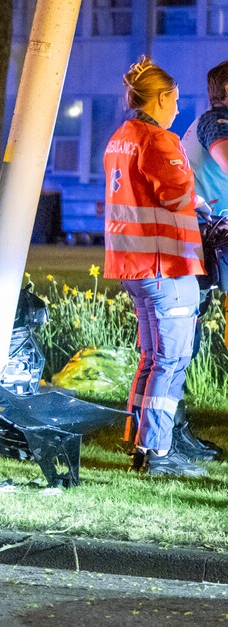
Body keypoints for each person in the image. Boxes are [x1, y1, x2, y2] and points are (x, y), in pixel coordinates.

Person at [104, 56, 208, 477]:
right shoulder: (158, 140)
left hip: (135, 266)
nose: (179, 109)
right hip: (167, 265)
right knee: (172, 361)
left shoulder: (121, 138)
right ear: (161, 98)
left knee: (152, 359)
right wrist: (198, 197)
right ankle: (158, 453)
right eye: (176, 100)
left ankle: (141, 444)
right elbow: (176, 194)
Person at [172, 61, 228, 462]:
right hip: (200, 245)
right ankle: (169, 431)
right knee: (180, 343)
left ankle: (170, 429)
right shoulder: (216, 124)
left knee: (182, 342)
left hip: (203, 244)